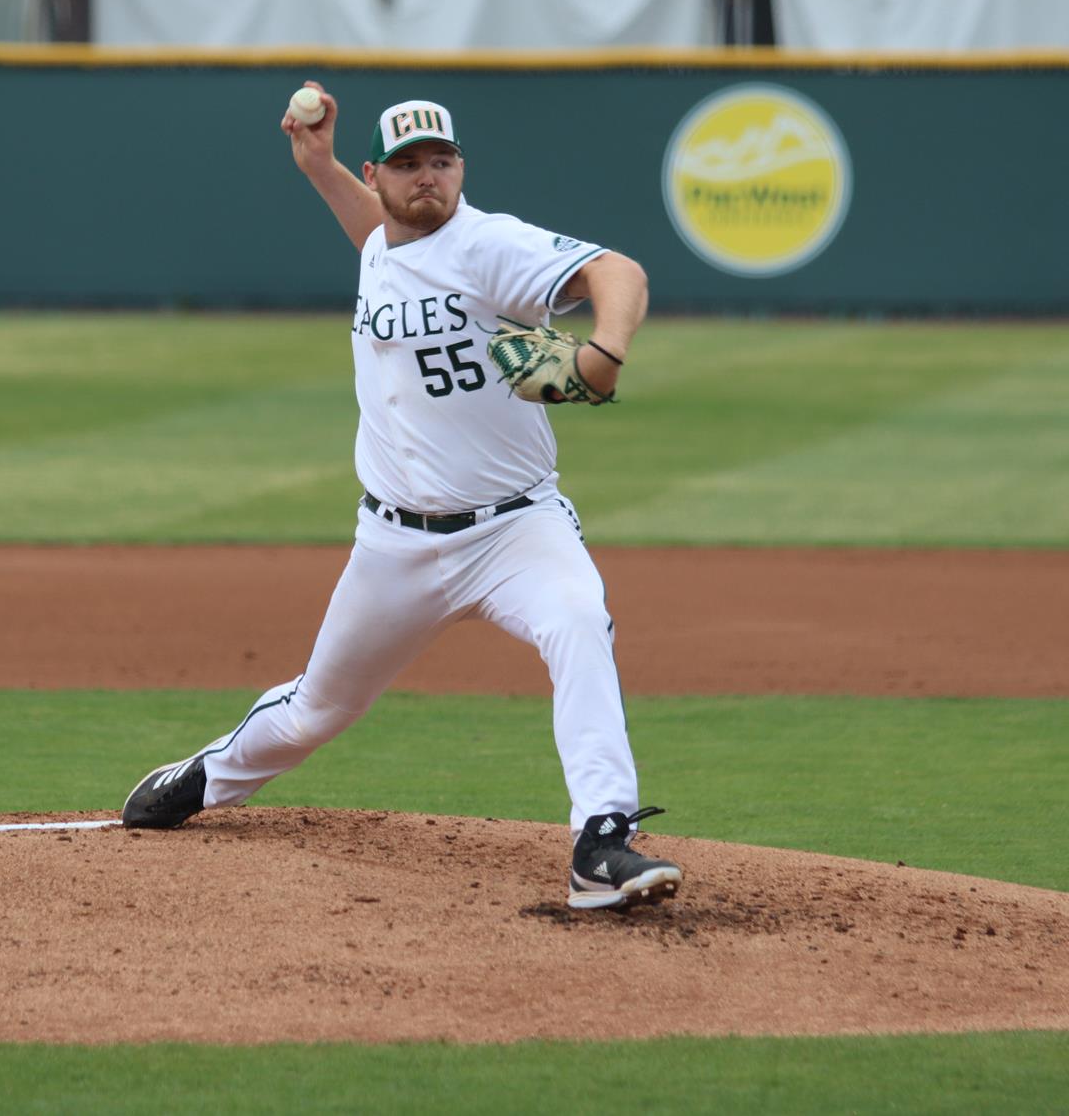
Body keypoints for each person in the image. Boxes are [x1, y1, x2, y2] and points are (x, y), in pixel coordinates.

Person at [121, 85, 680, 911]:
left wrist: (606, 346)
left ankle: (601, 841)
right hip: (394, 546)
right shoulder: (382, 243)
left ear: (462, 168)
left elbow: (616, 271)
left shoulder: (491, 245)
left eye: (442, 162)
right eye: (410, 165)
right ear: (379, 174)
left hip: (515, 529)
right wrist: (318, 164)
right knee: (318, 709)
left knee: (577, 621)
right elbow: (378, 233)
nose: (429, 179)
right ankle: (209, 775)